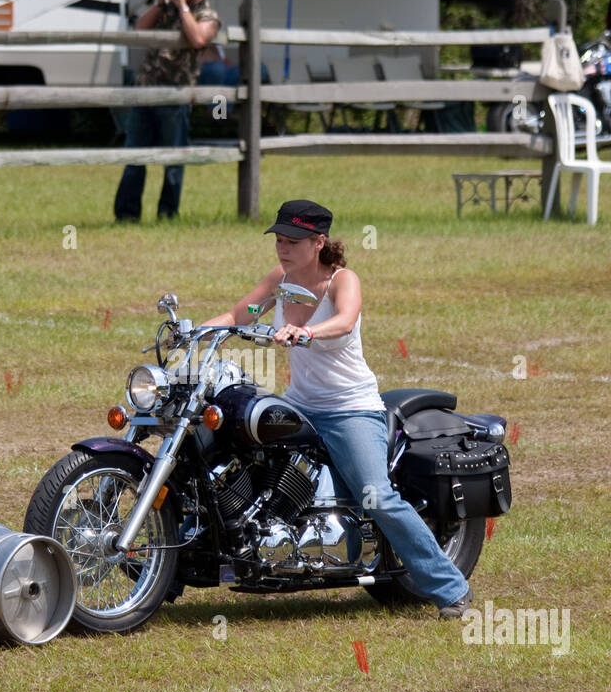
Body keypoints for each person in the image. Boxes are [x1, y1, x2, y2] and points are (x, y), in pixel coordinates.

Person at [200, 200, 473, 618]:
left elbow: (345, 321)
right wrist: (196, 331)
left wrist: (305, 330)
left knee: (376, 495)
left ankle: (450, 589)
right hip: (300, 404)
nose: (282, 248)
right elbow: (241, 314)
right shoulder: (281, 280)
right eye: (278, 238)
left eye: (292, 240)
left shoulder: (341, 281)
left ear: (318, 242)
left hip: (350, 408)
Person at [113, 0, 221, 222]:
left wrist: (182, 5)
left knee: (174, 161)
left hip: (176, 96)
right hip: (145, 92)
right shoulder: (165, 11)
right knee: (134, 158)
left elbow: (197, 38)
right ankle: (127, 216)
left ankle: (167, 216)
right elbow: (140, 29)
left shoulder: (208, 15)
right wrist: (161, 3)